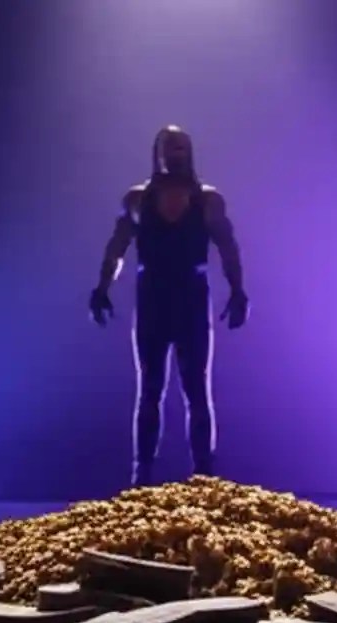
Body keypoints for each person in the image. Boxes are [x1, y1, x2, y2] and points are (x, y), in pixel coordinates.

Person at [89, 125, 249, 486]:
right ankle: (140, 478)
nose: (175, 153)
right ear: (157, 152)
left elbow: (228, 248)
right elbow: (117, 248)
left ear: (189, 151)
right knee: (150, 388)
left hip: (191, 298)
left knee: (197, 389)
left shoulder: (207, 200)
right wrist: (102, 287)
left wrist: (238, 290)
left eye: (180, 147)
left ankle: (205, 479)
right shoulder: (137, 199)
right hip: (154, 299)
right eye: (168, 147)